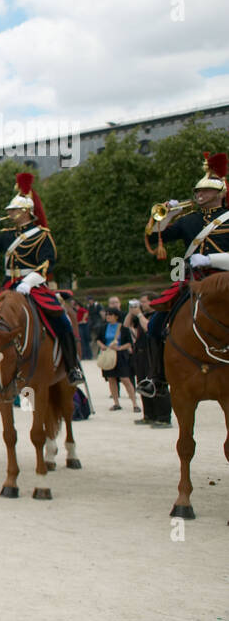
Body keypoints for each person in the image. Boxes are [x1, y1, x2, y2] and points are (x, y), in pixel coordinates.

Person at [0, 173, 85, 385]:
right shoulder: (8, 235)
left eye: (14, 210)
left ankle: (72, 366)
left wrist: (28, 283)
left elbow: (47, 263)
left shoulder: (41, 235)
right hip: (8, 286)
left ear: (27, 212)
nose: (10, 213)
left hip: (33, 284)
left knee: (60, 319)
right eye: (10, 210)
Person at [138, 151, 229, 398]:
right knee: (156, 324)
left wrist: (210, 258)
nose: (199, 195)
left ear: (220, 193)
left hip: (225, 278)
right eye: (197, 191)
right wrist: (166, 215)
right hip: (194, 280)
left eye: (206, 191)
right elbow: (155, 237)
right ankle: (156, 378)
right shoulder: (189, 220)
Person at [128, 294, 171, 427]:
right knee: (142, 383)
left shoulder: (158, 315)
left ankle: (163, 418)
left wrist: (140, 315)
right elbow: (126, 325)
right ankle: (149, 415)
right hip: (140, 354)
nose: (142, 304)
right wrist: (131, 312)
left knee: (157, 382)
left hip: (153, 354)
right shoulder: (143, 315)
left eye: (144, 302)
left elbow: (149, 328)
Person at [96, 307, 139, 412]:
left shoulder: (123, 328)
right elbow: (98, 339)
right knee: (111, 379)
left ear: (116, 316)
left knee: (125, 379)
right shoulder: (103, 327)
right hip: (108, 355)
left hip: (120, 356)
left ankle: (134, 403)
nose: (108, 317)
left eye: (110, 314)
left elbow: (129, 343)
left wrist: (119, 348)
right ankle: (116, 403)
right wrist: (103, 346)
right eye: (107, 314)